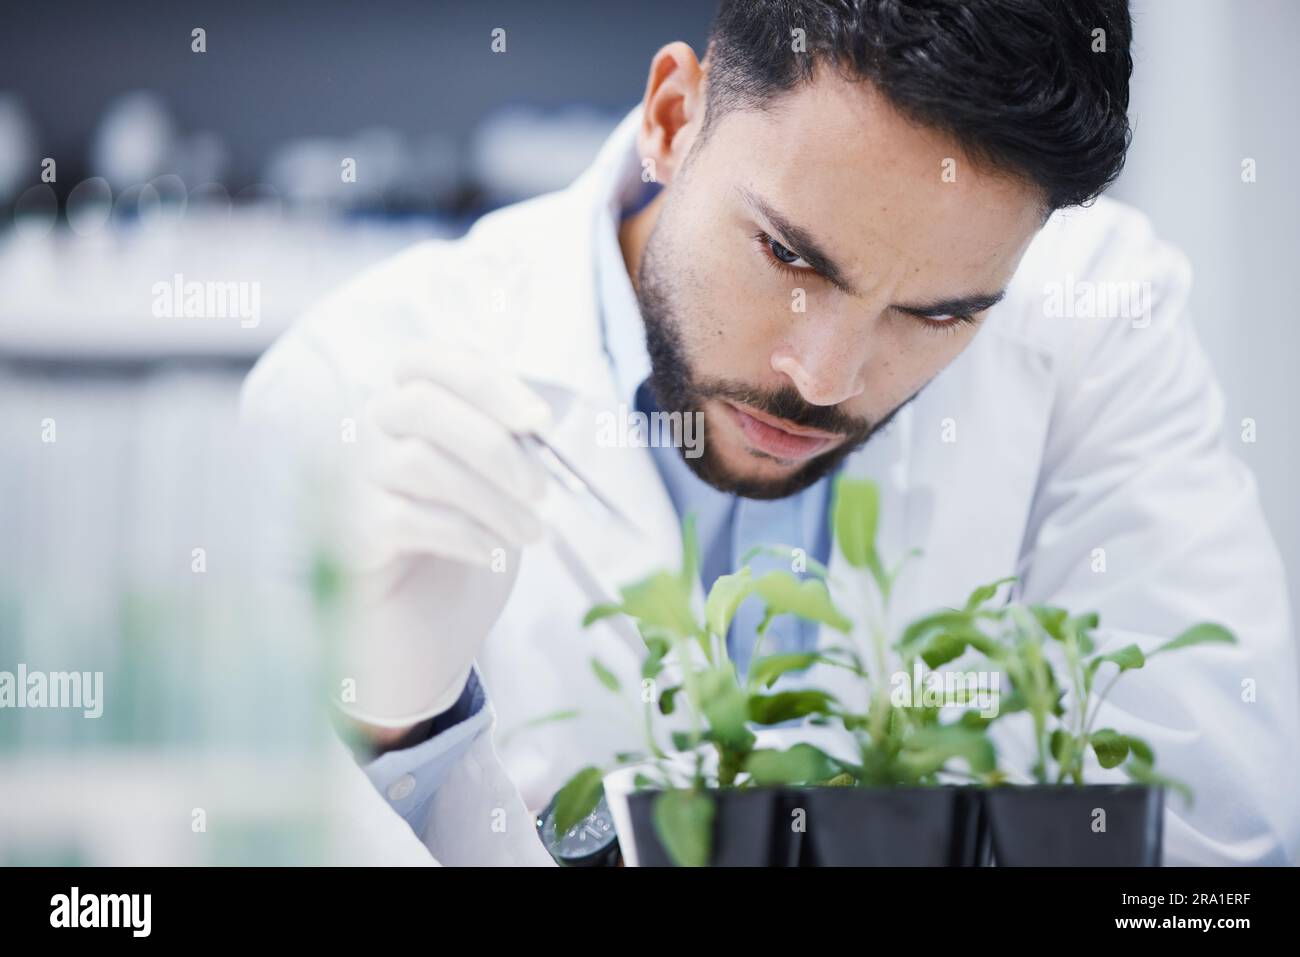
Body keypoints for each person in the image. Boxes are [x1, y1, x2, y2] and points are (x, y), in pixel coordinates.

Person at [241, 0, 1299, 865]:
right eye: (791, 258)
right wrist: (404, 723)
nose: (823, 378)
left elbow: (1217, 846)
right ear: (671, 118)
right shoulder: (355, 381)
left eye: (936, 315)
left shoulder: (1097, 321)